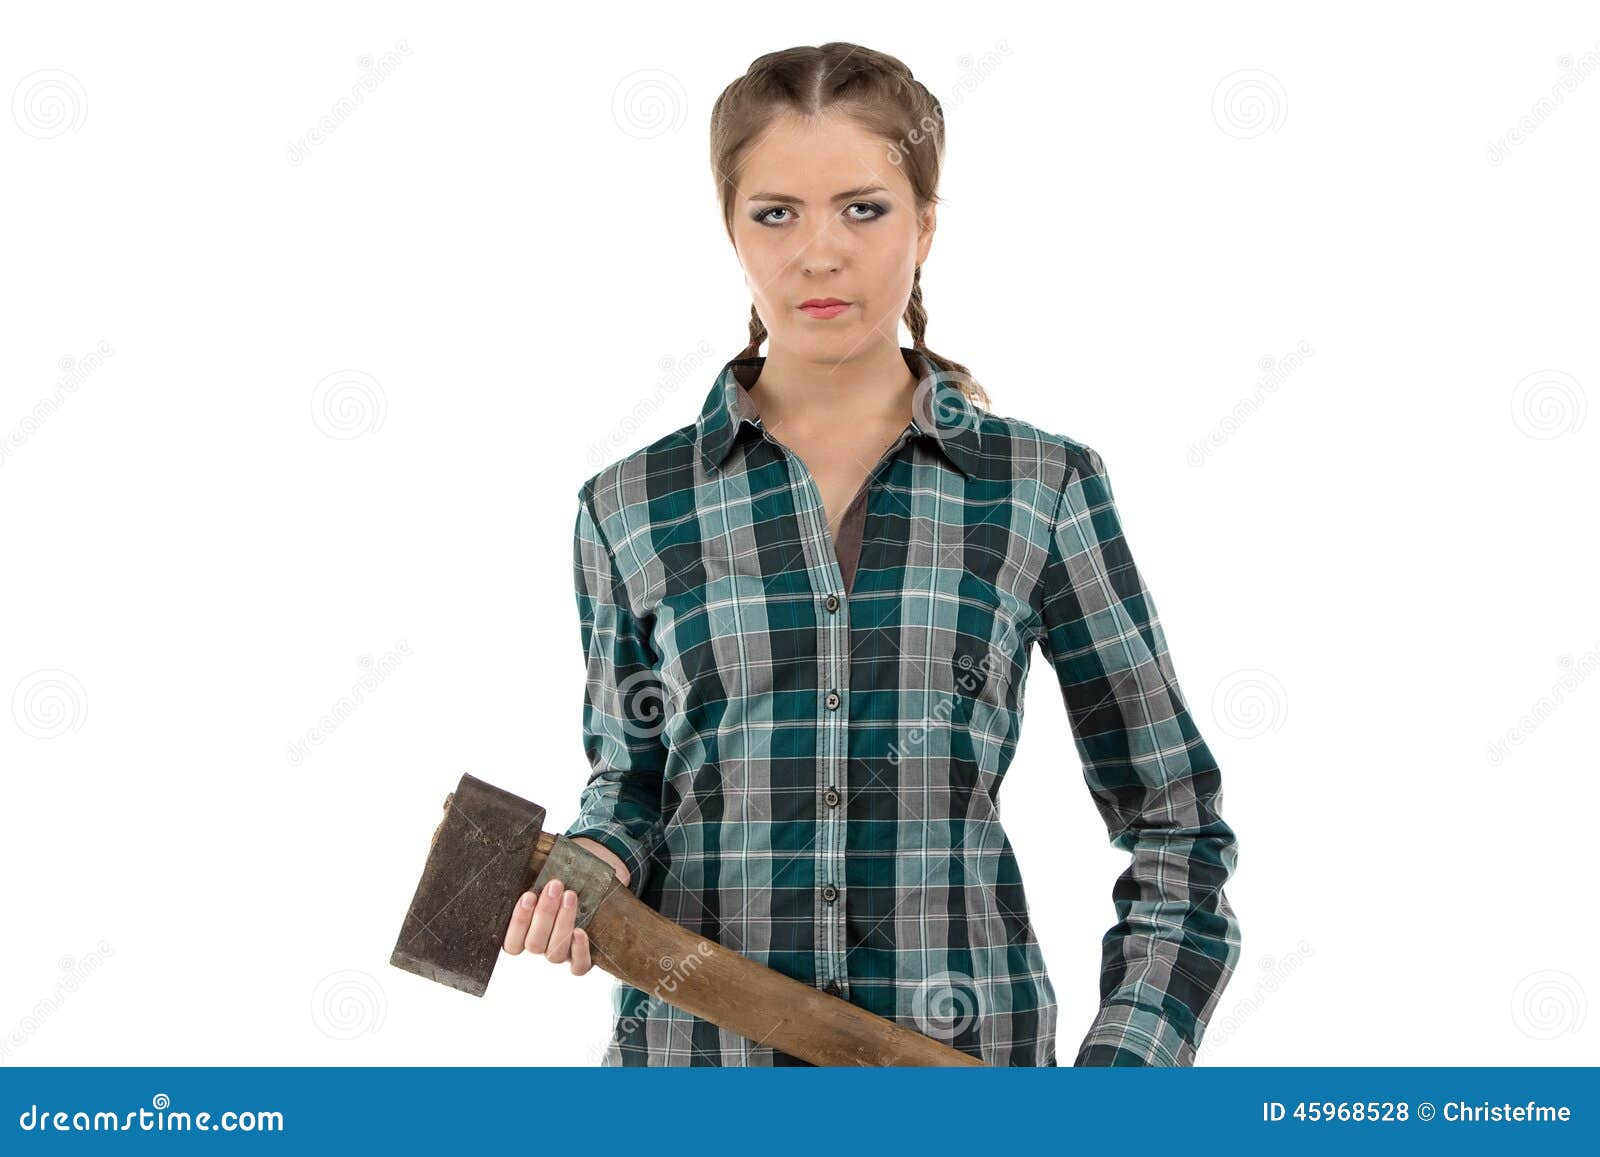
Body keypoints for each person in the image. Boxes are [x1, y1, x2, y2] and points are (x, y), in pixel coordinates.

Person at [504, 41, 1241, 1066]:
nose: (819, 253)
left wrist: (1123, 1076)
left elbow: (1175, 828)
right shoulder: (629, 505)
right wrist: (594, 855)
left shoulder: (1039, 487)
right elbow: (631, 777)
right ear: (730, 229)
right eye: (776, 212)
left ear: (925, 224)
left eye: (863, 208)